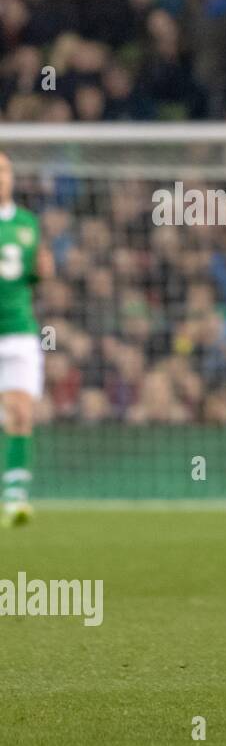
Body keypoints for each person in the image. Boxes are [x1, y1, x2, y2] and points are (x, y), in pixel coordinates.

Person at [0, 152, 52, 527]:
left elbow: (37, 275)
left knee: (20, 411)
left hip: (18, 330)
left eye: (4, 170)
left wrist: (45, 270)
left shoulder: (27, 223)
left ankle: (15, 496)